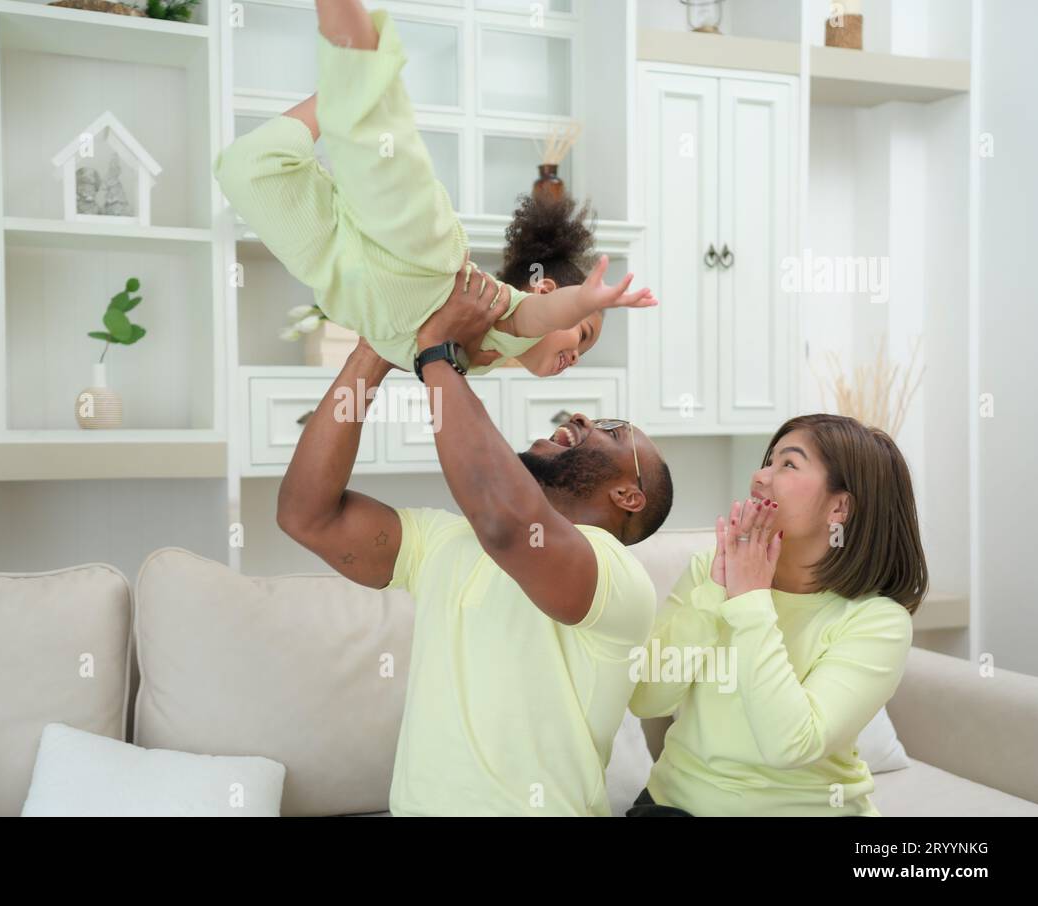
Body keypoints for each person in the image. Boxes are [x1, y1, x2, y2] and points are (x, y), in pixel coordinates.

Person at [277, 262, 676, 816]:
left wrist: (437, 354)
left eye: (614, 432)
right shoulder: (445, 541)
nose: (585, 415)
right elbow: (307, 516)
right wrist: (378, 347)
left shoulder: (619, 580)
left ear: (629, 496)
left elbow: (508, 524)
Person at [213, 0, 657, 377]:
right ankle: (355, 77)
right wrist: (583, 299)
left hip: (348, 280)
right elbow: (542, 314)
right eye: (583, 333)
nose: (577, 357)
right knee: (373, 129)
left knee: (245, 168)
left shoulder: (486, 360)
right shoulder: (512, 313)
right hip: (423, 259)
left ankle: (344, 94)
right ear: (545, 291)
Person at [628, 414, 927, 816]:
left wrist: (750, 599)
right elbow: (648, 699)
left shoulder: (877, 621)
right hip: (675, 808)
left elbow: (791, 743)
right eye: (769, 461)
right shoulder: (709, 568)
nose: (760, 476)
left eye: (788, 464)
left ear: (839, 507)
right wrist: (715, 592)